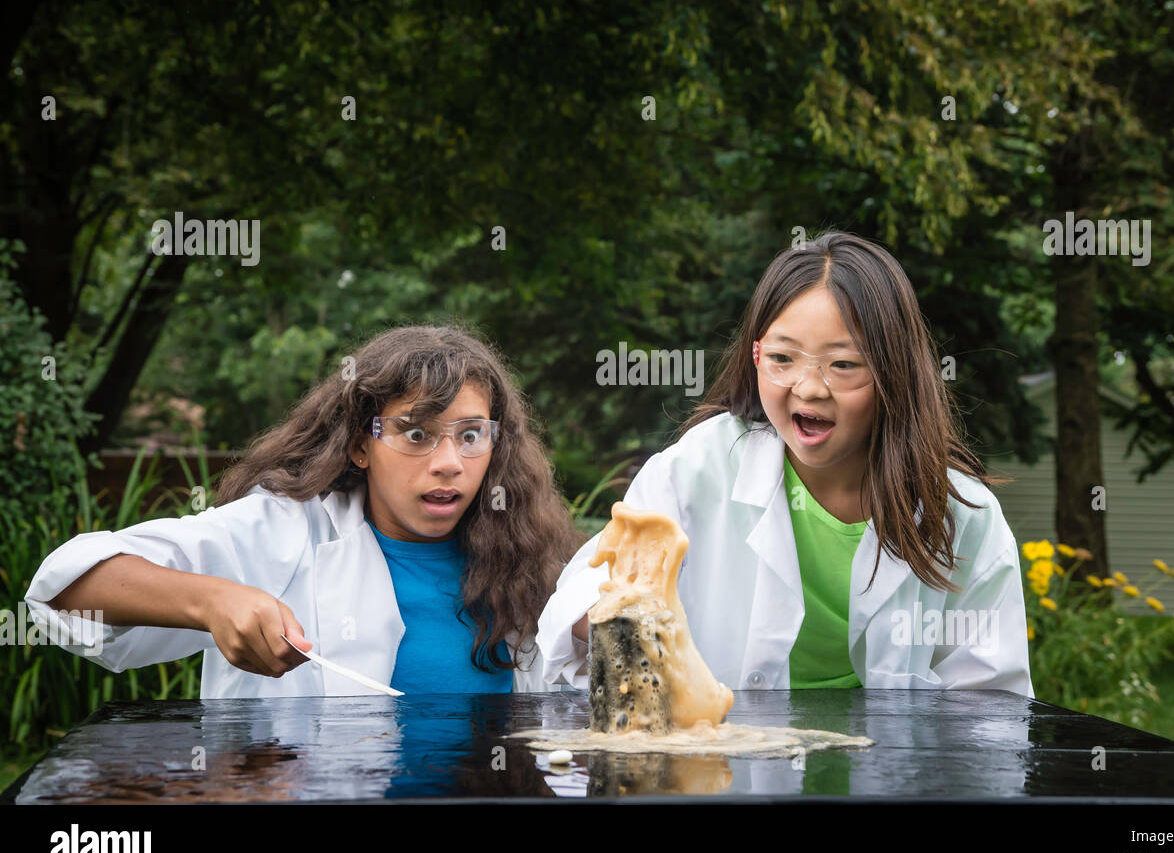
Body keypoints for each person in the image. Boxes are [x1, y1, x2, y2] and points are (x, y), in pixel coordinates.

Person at [537, 231, 1034, 697]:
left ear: (894, 372)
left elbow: (989, 706)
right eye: (782, 358)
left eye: (843, 364)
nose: (809, 387)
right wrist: (618, 621)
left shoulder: (963, 517)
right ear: (754, 356)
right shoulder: (699, 466)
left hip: (896, 783)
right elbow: (579, 602)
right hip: (730, 777)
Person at [26, 323, 584, 697]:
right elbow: (65, 589)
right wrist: (214, 598)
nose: (448, 463)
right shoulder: (286, 533)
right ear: (360, 445)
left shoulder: (533, 561)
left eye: (470, 436)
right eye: (416, 433)